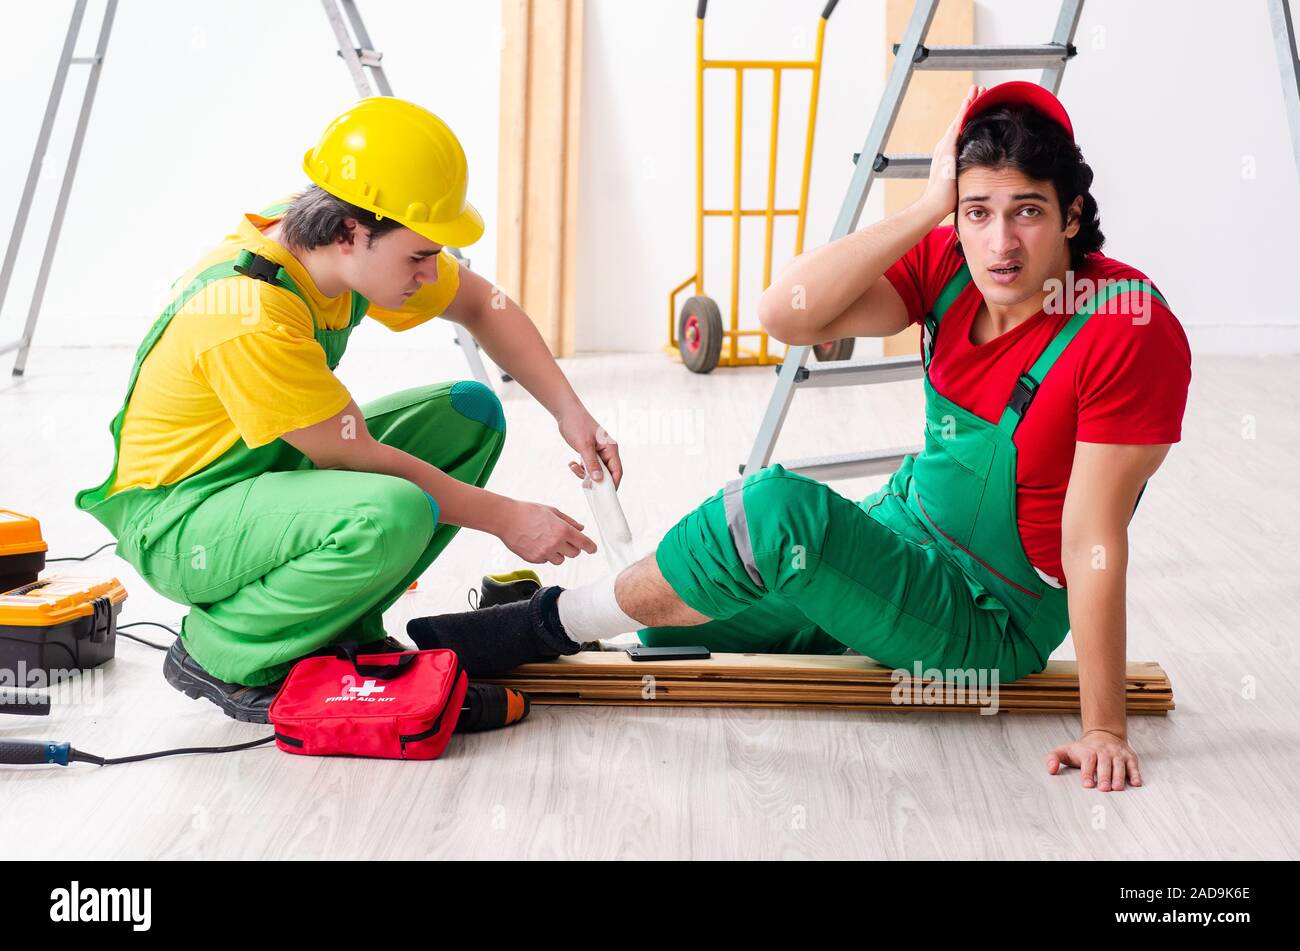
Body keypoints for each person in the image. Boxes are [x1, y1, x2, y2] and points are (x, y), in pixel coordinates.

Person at [409, 82, 1192, 791]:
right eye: (978, 211)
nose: (1000, 245)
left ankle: (539, 623)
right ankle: (557, 615)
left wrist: (1102, 727)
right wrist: (927, 209)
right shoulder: (953, 261)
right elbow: (786, 312)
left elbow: (1093, 539)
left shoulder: (1126, 326)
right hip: (905, 533)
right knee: (670, 617)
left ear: (1073, 214)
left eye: (1027, 210)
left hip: (988, 611)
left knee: (774, 510)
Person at [75, 97, 621, 725]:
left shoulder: (331, 243)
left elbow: (482, 305)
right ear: (348, 234)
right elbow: (351, 453)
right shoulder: (246, 311)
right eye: (419, 256)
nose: (430, 272)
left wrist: (570, 413)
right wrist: (506, 518)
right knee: (392, 508)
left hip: (263, 469)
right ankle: (222, 652)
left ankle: (343, 633)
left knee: (469, 415)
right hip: (183, 519)